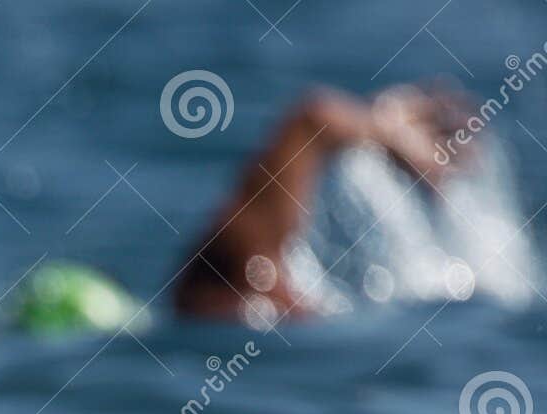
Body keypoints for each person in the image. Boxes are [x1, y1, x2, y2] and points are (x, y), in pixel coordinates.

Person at [173, 82, 472, 321]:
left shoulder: (247, 273)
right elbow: (311, 119)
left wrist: (390, 133)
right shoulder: (246, 276)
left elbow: (311, 120)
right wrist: (393, 132)